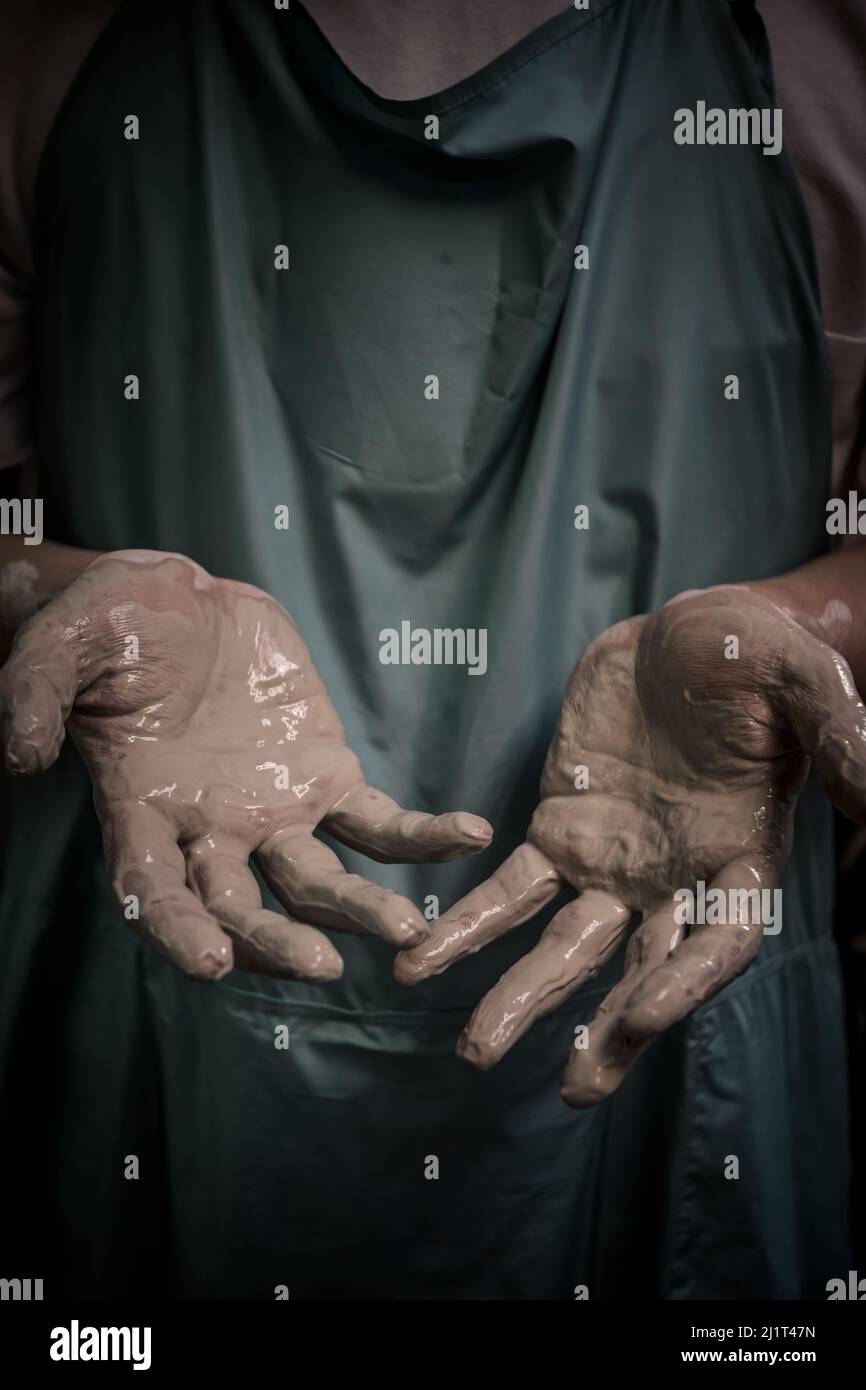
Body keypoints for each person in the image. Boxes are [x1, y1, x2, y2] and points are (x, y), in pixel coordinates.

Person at [1, 0, 864, 1300]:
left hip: (680, 999)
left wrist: (821, 621)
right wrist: (54, 595)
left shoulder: (834, 50)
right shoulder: (29, 44)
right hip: (153, 1014)